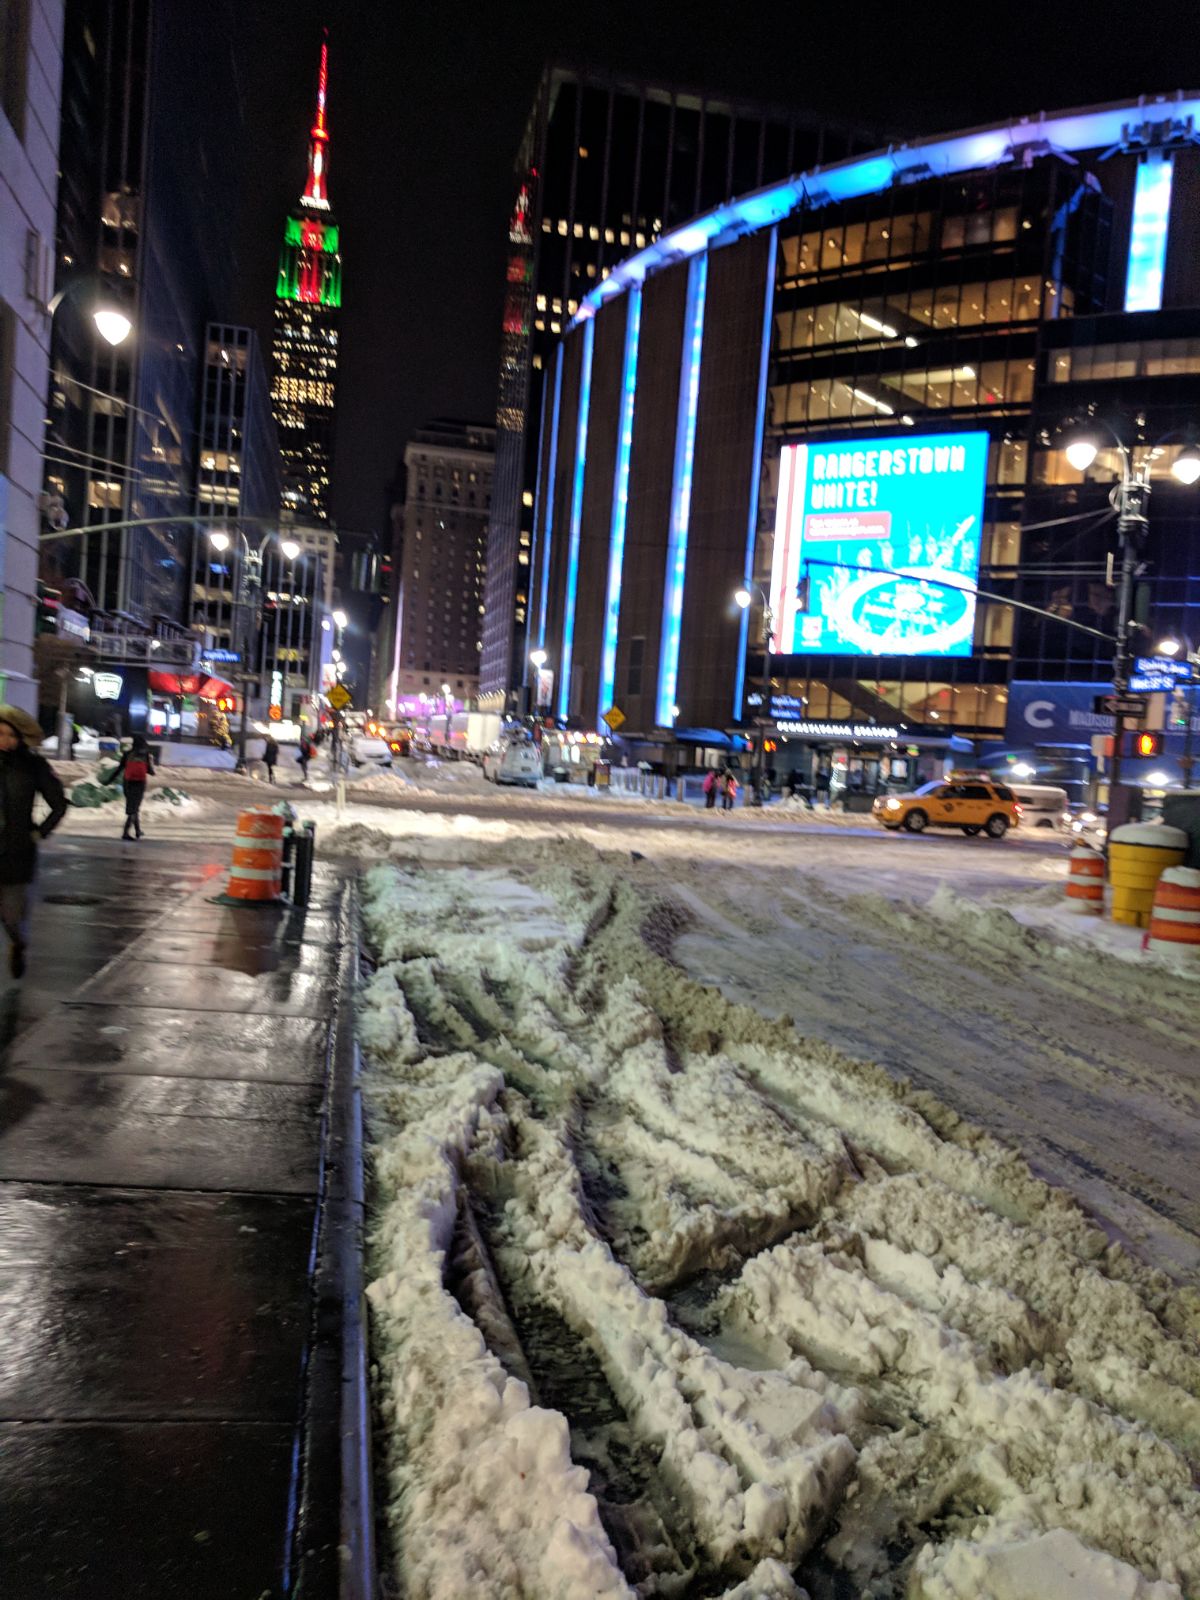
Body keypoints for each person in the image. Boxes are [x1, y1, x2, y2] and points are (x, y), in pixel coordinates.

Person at [0, 705, 67, 977]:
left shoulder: (33, 766)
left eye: (10, 735)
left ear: (20, 738)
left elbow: (59, 804)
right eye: (0, 734)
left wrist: (40, 832)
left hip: (17, 852)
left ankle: (18, 943)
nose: (5, 740)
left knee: (12, 916)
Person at [114, 735, 155, 841]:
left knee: (133, 807)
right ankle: (125, 832)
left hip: (127, 783)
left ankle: (137, 830)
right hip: (139, 784)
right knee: (135, 808)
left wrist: (108, 780)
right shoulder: (145, 755)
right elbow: (151, 772)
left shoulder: (127, 754)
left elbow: (119, 769)